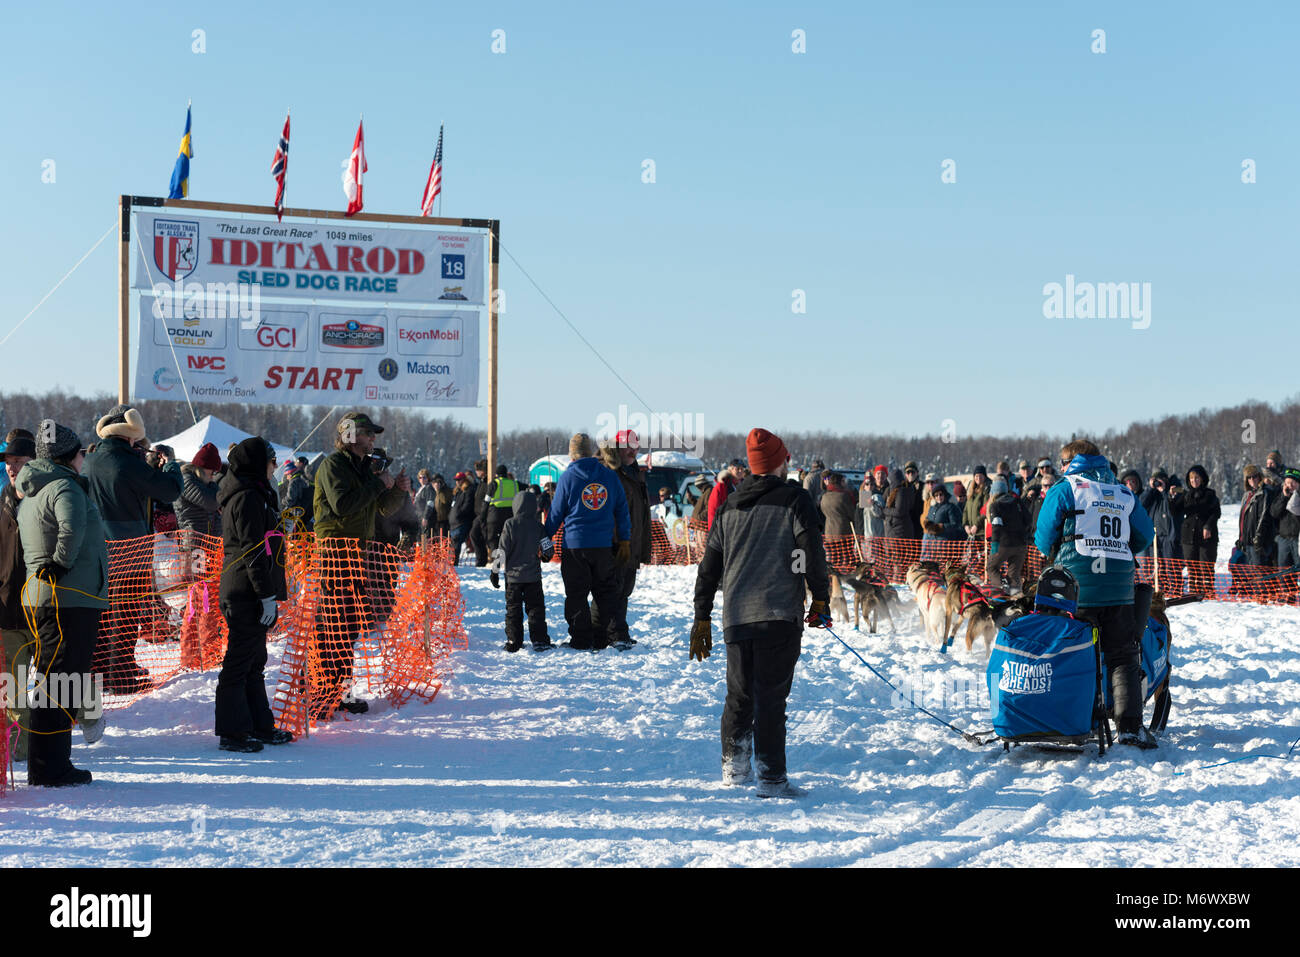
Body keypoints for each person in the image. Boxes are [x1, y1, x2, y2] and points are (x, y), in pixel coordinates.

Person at [690, 427, 830, 799]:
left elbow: (709, 566)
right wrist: (820, 599)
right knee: (769, 697)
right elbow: (811, 554)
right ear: (780, 462)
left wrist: (701, 614)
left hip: (735, 617)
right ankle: (770, 777)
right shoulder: (795, 500)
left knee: (738, 696)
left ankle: (734, 770)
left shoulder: (729, 505)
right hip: (778, 613)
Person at [1033, 438, 1156, 749]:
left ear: (1073, 461)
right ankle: (1128, 726)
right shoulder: (1122, 491)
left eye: (1063, 461)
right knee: (1122, 655)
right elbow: (1145, 535)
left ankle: (1081, 719)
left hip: (1076, 589)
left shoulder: (1065, 488)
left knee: (1077, 652)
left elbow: (1043, 537)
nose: (1060, 467)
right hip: (1118, 588)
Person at [16, 424, 108, 785]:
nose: (84, 458)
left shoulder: (33, 491)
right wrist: (63, 561)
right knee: (62, 680)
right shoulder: (65, 487)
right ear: (69, 457)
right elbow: (71, 528)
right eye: (81, 452)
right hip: (69, 598)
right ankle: (50, 767)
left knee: (54, 678)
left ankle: (48, 764)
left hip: (48, 598)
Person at [311, 412, 409, 716]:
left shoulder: (361, 467)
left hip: (355, 555)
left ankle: (339, 690)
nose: (373, 439)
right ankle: (322, 693)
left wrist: (397, 491)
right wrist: (379, 484)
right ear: (351, 435)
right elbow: (343, 505)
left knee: (348, 625)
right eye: (368, 433)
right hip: (335, 553)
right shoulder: (333, 465)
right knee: (332, 626)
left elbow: (380, 508)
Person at [82, 404, 183, 694]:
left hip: (96, 552)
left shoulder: (90, 460)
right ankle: (122, 678)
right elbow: (170, 490)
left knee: (102, 619)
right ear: (130, 435)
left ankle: (99, 673)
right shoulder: (126, 462)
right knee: (125, 620)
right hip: (130, 553)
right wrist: (172, 464)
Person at [215, 437, 292, 752]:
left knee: (254, 661)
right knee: (239, 662)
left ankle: (259, 724)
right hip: (244, 591)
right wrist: (265, 595)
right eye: (271, 461)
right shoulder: (247, 497)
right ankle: (232, 732)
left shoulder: (257, 493)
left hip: (251, 589)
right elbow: (252, 549)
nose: (275, 467)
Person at [542, 433, 630, 651]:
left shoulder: (567, 478)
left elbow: (555, 514)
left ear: (572, 455)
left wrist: (544, 538)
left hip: (574, 548)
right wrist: (625, 540)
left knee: (576, 594)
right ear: (591, 452)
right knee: (604, 592)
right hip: (603, 546)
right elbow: (622, 510)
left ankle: (581, 640)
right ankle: (601, 637)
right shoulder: (609, 476)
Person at [592, 431, 651, 648]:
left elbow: (640, 512)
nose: (633, 451)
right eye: (628, 446)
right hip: (613, 544)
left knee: (624, 590)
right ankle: (605, 633)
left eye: (636, 446)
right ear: (617, 447)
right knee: (609, 590)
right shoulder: (609, 472)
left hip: (631, 542)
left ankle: (618, 630)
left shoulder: (634, 473)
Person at [0, 429, 36, 762]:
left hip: (45, 604)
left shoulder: (47, 500)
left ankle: (88, 715)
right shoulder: (1, 502)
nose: (13, 468)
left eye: (20, 462)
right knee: (15, 684)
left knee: (66, 676)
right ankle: (19, 748)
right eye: (9, 462)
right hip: (9, 605)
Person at [493, 488, 555, 652]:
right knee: (536, 610)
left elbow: (502, 550)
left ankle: (514, 641)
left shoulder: (510, 524)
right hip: (533, 577)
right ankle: (540, 640)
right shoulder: (538, 526)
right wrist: (545, 557)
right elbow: (548, 549)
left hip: (513, 578)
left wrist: (494, 571)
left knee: (513, 610)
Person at [1171, 465, 1220, 597]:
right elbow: (1174, 511)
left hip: (1207, 537)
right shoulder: (1185, 495)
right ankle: (1194, 593)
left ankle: (1208, 593)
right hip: (1188, 536)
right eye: (1191, 478)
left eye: (1197, 478)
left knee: (1206, 567)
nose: (1194, 481)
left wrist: (1208, 526)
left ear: (1202, 479)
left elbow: (1216, 513)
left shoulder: (1210, 494)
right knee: (1192, 568)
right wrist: (1172, 497)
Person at [985, 476, 1029, 593]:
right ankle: (1015, 599)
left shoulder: (996, 505)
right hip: (1021, 544)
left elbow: (996, 526)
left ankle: (1001, 591)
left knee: (991, 568)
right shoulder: (1017, 501)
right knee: (1013, 575)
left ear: (993, 492)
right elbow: (1028, 519)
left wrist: (994, 545)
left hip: (1004, 545)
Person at [483, 464, 520, 555]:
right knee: (508, 537)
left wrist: (482, 516)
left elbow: (486, 501)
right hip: (510, 515)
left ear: (497, 474)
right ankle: (508, 557)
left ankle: (497, 559)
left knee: (493, 538)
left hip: (495, 515)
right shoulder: (515, 484)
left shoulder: (494, 483)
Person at [1269, 469, 1300, 580]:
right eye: (1287, 483)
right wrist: (1284, 497)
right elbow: (1274, 513)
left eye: (1293, 483)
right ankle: (1285, 597)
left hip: (1298, 540)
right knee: (1284, 572)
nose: (1290, 486)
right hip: (1284, 539)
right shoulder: (1281, 496)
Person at [920, 483, 963, 560]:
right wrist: (928, 525)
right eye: (936, 495)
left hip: (946, 543)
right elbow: (928, 519)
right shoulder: (932, 508)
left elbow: (955, 524)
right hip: (933, 544)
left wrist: (941, 527)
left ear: (944, 495)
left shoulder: (950, 507)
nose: (939, 497)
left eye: (941, 494)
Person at [708, 459, 749, 530]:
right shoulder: (721, 487)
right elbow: (713, 510)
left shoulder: (746, 486)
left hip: (741, 527)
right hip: (725, 527)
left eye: (742, 469)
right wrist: (714, 530)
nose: (740, 471)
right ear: (730, 470)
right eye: (737, 469)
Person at [449, 472, 476, 564]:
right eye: (456, 480)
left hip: (461, 522)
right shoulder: (457, 492)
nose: (457, 482)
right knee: (452, 546)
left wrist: (458, 514)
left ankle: (454, 565)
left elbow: (467, 506)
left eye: (459, 480)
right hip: (453, 523)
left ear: (464, 480)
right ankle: (452, 564)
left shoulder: (468, 490)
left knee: (456, 545)